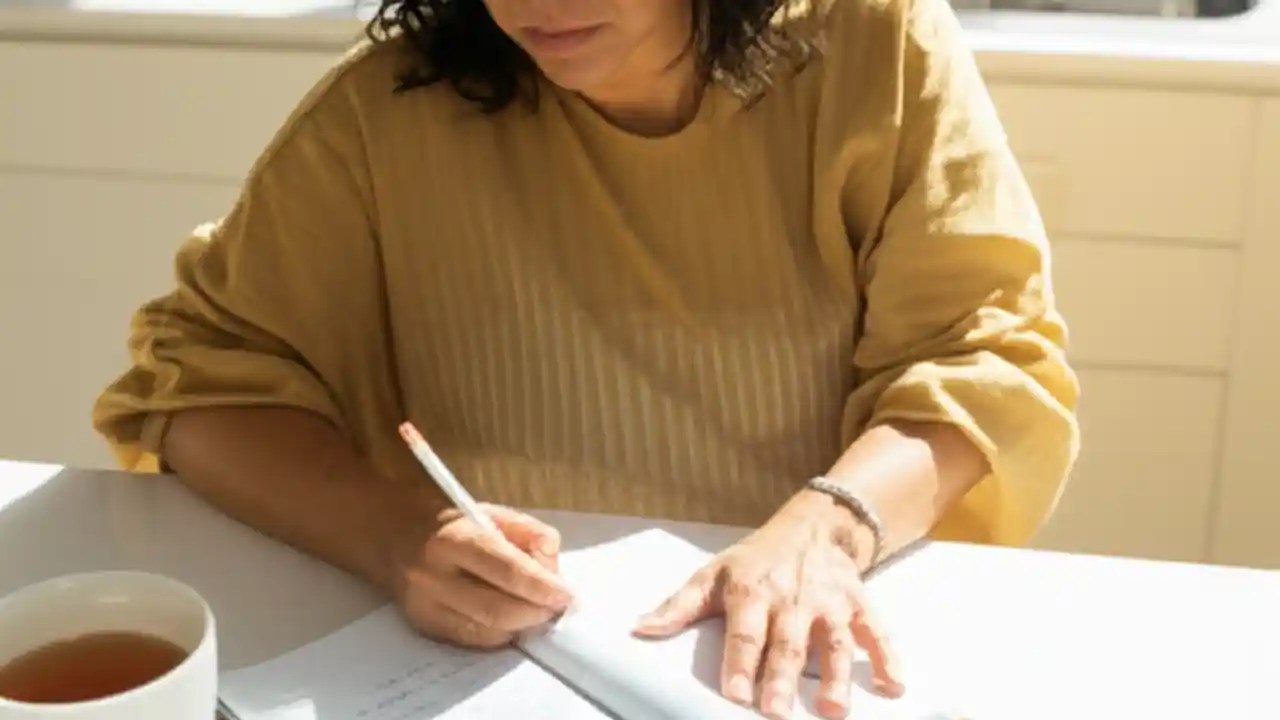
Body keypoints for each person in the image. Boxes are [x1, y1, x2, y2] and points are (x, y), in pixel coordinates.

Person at [93, 0, 1079, 717]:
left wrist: (824, 531)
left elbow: (982, 360)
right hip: (494, 672)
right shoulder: (384, 112)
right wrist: (395, 536)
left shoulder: (878, 46)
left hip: (795, 664)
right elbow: (196, 389)